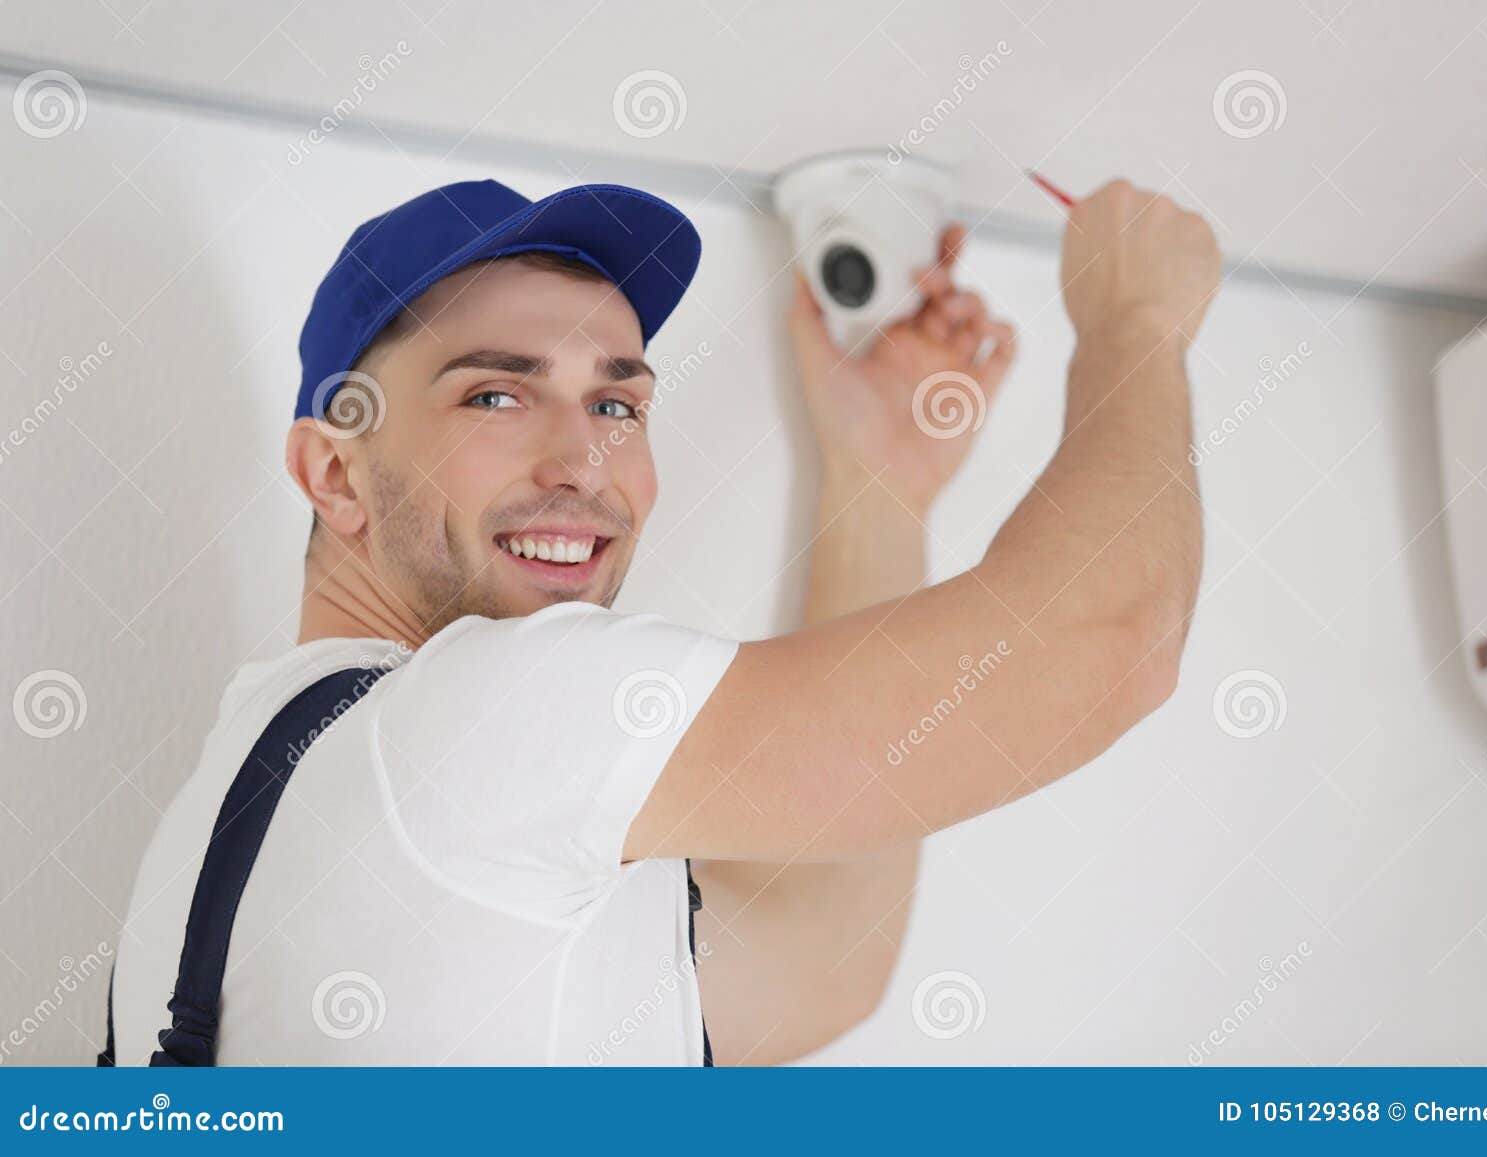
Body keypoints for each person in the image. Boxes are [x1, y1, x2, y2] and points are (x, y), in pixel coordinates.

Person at [108, 175, 1218, 1065]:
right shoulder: (471, 712)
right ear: (335, 474)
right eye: (494, 392)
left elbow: (817, 961)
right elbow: (1104, 636)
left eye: (615, 404)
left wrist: (877, 485)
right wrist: (1137, 323)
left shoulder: (257, 808)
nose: (581, 460)